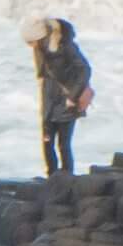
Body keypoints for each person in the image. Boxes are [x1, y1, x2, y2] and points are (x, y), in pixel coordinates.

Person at [25, 16, 92, 175]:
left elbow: (85, 70)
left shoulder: (66, 46)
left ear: (39, 37)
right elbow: (42, 77)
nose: (29, 45)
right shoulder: (39, 49)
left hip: (67, 101)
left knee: (63, 144)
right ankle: (52, 176)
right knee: (47, 142)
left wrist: (73, 97)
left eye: (30, 41)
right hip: (49, 101)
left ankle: (67, 177)